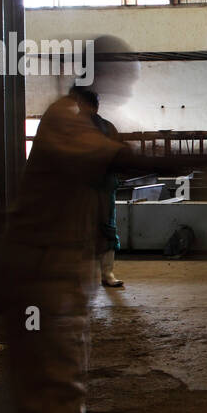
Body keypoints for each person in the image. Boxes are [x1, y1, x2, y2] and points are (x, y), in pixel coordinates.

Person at [0, 39, 207, 413]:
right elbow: (124, 160)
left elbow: (115, 159)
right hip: (39, 264)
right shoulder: (66, 117)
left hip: (55, 262)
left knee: (41, 371)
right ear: (98, 73)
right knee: (55, 370)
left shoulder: (79, 120)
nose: (128, 81)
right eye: (123, 72)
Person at [69, 87, 125, 288]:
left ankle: (96, 274)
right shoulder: (107, 127)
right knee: (105, 227)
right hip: (98, 185)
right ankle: (106, 273)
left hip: (91, 186)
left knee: (85, 228)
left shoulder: (76, 127)